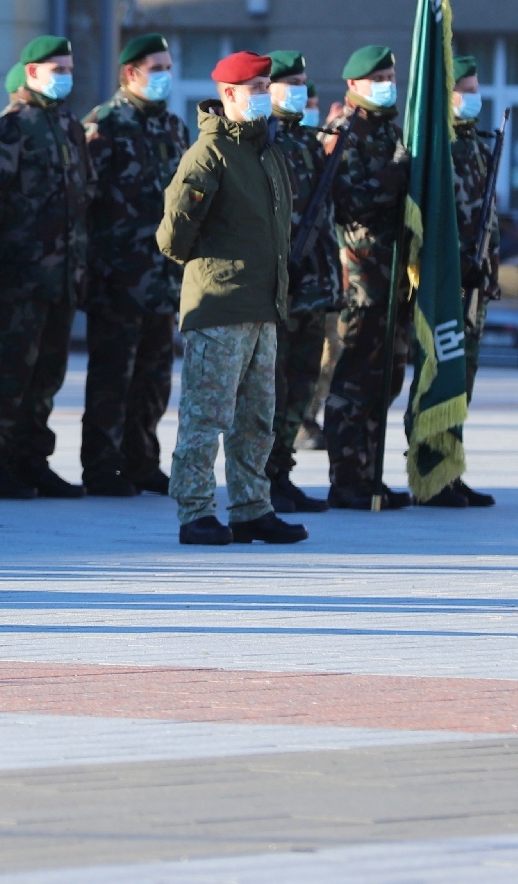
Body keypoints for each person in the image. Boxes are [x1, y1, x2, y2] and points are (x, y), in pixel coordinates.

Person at [157, 51, 307, 546]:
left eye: (267, 86)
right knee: (206, 416)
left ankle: (250, 508)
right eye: (256, 88)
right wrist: (215, 268)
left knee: (256, 420)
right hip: (220, 307)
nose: (266, 95)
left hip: (263, 306)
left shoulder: (266, 151)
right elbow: (172, 236)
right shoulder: (209, 153)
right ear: (228, 95)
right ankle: (195, 511)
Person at [0, 35, 93, 499]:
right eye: (57, 69)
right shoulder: (12, 127)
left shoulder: (68, 125)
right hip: (18, 276)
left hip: (61, 275)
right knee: (8, 372)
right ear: (32, 72)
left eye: (69, 69)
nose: (65, 77)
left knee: (47, 375)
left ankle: (31, 460)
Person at [80, 34, 188, 496]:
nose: (165, 76)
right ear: (131, 73)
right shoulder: (104, 124)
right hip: (118, 277)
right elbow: (83, 200)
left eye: (168, 68)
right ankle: (102, 466)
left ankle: (142, 461)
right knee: (112, 377)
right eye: (156, 68)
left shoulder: (173, 126)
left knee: (154, 378)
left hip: (162, 277)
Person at [322, 45, 413, 510]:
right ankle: (346, 480)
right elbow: (349, 202)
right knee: (354, 381)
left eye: (391, 77)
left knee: (385, 382)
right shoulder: (344, 134)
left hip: (394, 278)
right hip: (361, 279)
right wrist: (397, 174)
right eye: (377, 79)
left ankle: (369, 475)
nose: (387, 85)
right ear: (353, 85)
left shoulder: (391, 133)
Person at [417, 56, 499, 509]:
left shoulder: (478, 147)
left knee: (463, 380)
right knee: (440, 375)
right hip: (449, 283)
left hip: (475, 284)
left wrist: (489, 273)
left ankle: (451, 469)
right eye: (463, 90)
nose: (472, 98)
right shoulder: (438, 146)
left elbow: (488, 222)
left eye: (475, 89)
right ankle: (430, 471)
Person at [264, 50, 337, 515]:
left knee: (302, 384)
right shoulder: (262, 141)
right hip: (279, 287)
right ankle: (262, 478)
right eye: (289, 84)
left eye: (301, 83)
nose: (298, 91)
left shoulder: (309, 143)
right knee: (272, 389)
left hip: (312, 286)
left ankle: (282, 472)